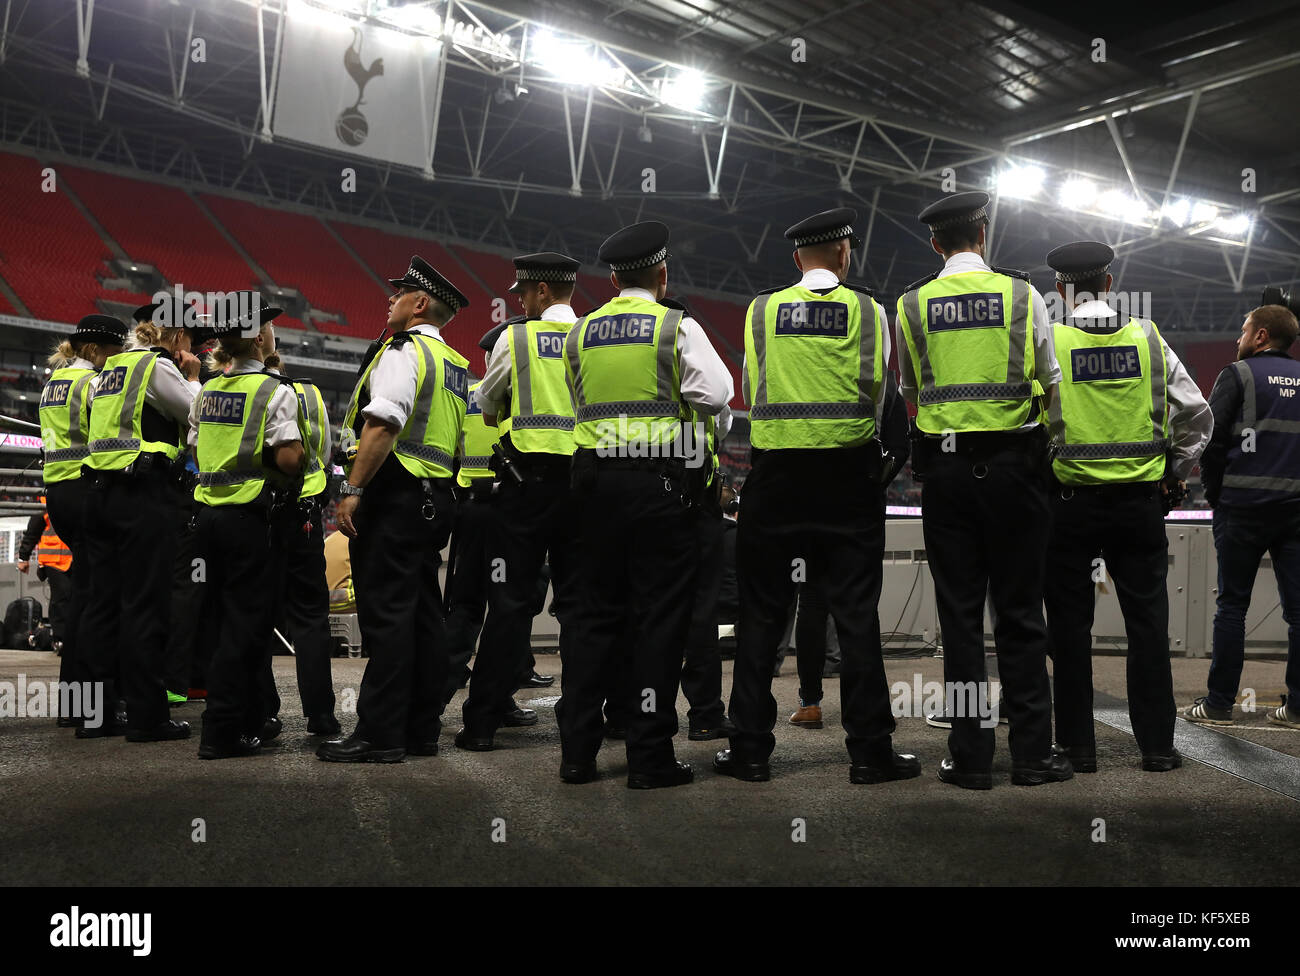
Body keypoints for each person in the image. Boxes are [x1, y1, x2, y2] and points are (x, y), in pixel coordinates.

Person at [716, 207, 918, 784]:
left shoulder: (761, 311)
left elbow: (753, 390)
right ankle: (870, 752)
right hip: (847, 481)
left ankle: (751, 748)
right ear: (845, 253)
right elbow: (881, 391)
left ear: (796, 257)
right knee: (856, 619)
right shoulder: (870, 312)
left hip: (775, 480)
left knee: (761, 617)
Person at [894, 190, 1067, 789]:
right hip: (1015, 472)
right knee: (1021, 613)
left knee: (960, 618)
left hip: (946, 475)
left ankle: (970, 759)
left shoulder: (911, 304)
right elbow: (1050, 380)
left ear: (936, 243)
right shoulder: (1023, 296)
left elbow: (911, 390)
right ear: (985, 235)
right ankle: (1033, 757)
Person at [558, 220, 733, 788]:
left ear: (612, 280)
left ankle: (577, 754)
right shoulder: (676, 326)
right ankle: (648, 757)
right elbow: (716, 395)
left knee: (591, 623)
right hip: (658, 491)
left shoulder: (580, 333)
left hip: (589, 492)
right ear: (662, 274)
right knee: (658, 624)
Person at [1042, 241, 1211, 771]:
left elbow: (1032, 418)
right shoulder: (1148, 336)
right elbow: (1197, 416)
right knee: (1147, 627)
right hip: (1139, 506)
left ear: (1061, 291)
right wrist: (1173, 473)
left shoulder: (1050, 341)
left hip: (1068, 508)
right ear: (1110, 284)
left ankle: (1077, 748)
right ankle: (1158, 748)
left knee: (1068, 630)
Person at [318, 255, 469, 763]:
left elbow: (383, 423)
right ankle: (420, 729)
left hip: (396, 496)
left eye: (399, 292)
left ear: (419, 303)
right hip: (434, 498)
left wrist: (353, 488)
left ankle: (380, 734)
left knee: (386, 618)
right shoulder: (454, 363)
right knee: (425, 616)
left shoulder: (404, 352)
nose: (390, 299)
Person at [457, 252, 580, 752]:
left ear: (544, 291)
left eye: (524, 293)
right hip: (582, 491)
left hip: (524, 488)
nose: (520, 301)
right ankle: (585, 722)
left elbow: (486, 410)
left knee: (507, 605)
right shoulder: (594, 335)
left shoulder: (516, 338)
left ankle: (482, 725)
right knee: (582, 609)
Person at [79, 301, 201, 742]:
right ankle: (148, 717)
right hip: (144, 495)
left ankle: (94, 716)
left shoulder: (107, 372)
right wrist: (191, 377)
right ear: (174, 337)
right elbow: (197, 415)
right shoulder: (155, 367)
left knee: (102, 606)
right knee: (145, 604)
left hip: (98, 493)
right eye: (187, 338)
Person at [189, 294, 303, 759]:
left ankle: (250, 718)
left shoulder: (208, 390)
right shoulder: (274, 392)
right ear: (258, 339)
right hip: (248, 519)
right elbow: (289, 458)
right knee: (245, 625)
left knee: (219, 622)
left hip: (206, 519)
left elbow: (197, 453)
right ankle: (221, 731)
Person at [1188, 302, 1300, 730]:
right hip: (1295, 513)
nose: (1237, 339)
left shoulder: (1237, 375)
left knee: (1232, 606)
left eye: (1242, 331)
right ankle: (1296, 709)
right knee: (1299, 613)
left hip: (1242, 509)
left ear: (1260, 337)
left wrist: (1217, 494)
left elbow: (1210, 441)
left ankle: (1218, 705)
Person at [38, 314, 127, 726]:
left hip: (57, 491)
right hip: (85, 488)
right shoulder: (91, 382)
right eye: (115, 351)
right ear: (95, 350)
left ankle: (74, 705)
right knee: (101, 600)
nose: (118, 359)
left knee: (83, 598)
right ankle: (97, 708)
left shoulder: (53, 383)